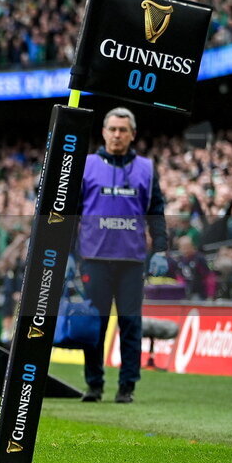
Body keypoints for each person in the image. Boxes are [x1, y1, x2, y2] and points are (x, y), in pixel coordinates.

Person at [78, 107, 167, 404]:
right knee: (96, 325)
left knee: (131, 323)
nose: (117, 135)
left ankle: (127, 386)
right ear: (103, 132)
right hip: (94, 257)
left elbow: (156, 212)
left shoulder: (146, 169)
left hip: (131, 260)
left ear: (132, 134)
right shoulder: (86, 166)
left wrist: (161, 249)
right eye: (112, 129)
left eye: (123, 130)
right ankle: (94, 384)